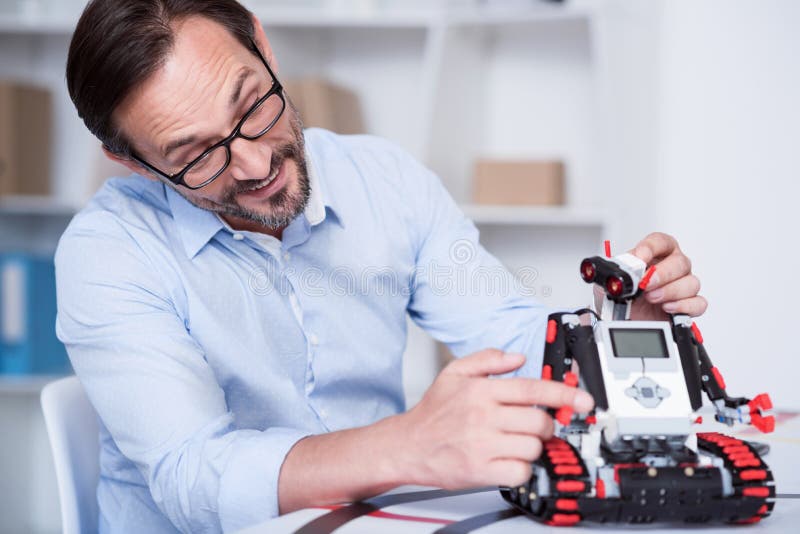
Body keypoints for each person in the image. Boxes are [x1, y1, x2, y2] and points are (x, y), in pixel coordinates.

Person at [57, 1, 706, 532]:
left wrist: (610, 335)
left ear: (262, 43)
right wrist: (408, 445)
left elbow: (509, 334)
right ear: (136, 164)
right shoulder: (107, 254)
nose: (255, 166)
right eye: (196, 155)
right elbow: (191, 476)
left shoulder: (385, 181)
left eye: (253, 105)